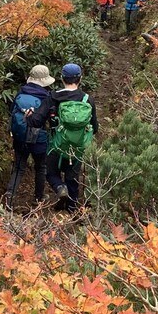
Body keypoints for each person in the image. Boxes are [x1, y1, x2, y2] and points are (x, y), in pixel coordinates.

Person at [46, 63, 99, 211]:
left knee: (50, 173)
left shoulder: (54, 97)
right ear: (80, 79)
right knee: (72, 178)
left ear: (62, 78)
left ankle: (60, 187)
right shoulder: (87, 100)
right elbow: (94, 126)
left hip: (56, 145)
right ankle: (72, 210)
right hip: (77, 147)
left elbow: (38, 119)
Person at [5, 64, 56, 207]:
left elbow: (11, 111)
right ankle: (38, 198)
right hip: (38, 139)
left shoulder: (20, 93)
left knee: (19, 168)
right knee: (40, 167)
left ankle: (9, 195)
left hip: (19, 137)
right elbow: (51, 119)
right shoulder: (46, 97)